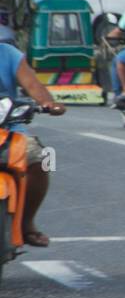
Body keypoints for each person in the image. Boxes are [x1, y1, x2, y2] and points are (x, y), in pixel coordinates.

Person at [0, 37, 66, 247]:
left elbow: (32, 85)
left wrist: (48, 103)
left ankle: (26, 223)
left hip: (9, 130)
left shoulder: (8, 53)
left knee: (41, 159)